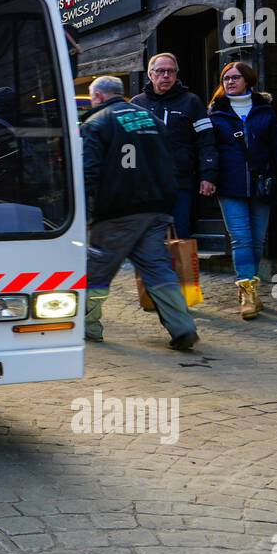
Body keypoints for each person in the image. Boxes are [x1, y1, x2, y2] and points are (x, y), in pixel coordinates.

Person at [81, 75, 199, 351]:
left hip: (116, 212)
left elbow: (89, 172)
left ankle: (89, 326)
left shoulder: (96, 123)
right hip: (157, 209)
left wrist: (87, 215)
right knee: (158, 268)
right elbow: (171, 161)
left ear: (97, 97)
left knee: (97, 272)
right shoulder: (153, 121)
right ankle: (183, 327)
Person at [207, 61, 277, 319]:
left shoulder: (265, 112)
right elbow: (209, 151)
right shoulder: (216, 113)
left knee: (257, 240)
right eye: (226, 78)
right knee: (241, 238)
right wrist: (208, 178)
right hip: (230, 185)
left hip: (262, 185)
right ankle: (247, 292)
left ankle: (251, 287)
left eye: (235, 77)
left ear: (248, 80)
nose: (229, 82)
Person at [131, 52, 218, 239]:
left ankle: (180, 269)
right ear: (150, 74)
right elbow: (128, 144)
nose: (166, 76)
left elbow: (206, 140)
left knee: (181, 235)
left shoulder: (191, 102)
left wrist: (208, 174)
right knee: (148, 238)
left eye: (171, 71)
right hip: (147, 185)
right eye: (160, 71)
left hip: (181, 181)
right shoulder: (137, 104)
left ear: (176, 74)